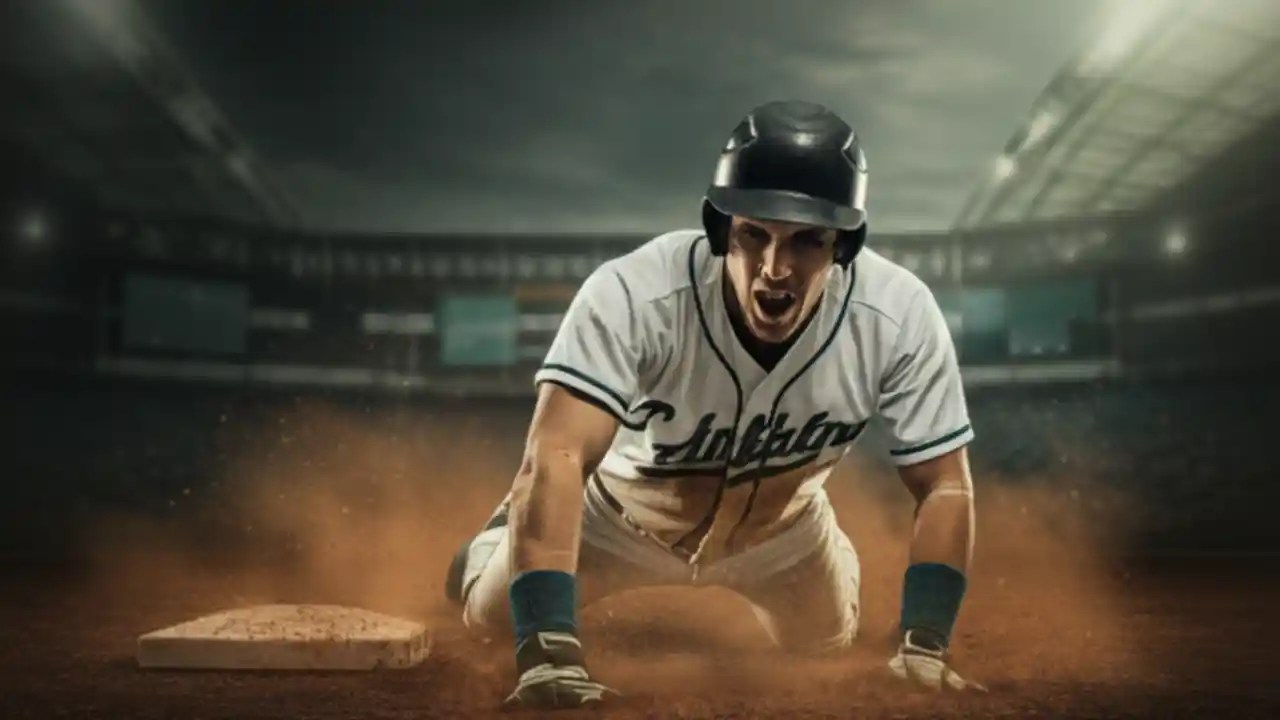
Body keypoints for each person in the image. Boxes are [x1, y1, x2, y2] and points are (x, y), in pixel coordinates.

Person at [445, 100, 985, 709]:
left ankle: (832, 550)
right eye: (754, 233)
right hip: (617, 519)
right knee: (491, 621)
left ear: (843, 245)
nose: (775, 268)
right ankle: (495, 543)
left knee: (826, 644)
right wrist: (547, 650)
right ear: (721, 227)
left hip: (785, 536)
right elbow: (558, 454)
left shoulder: (898, 315)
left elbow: (946, 485)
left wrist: (925, 643)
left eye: (807, 241)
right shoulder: (636, 293)